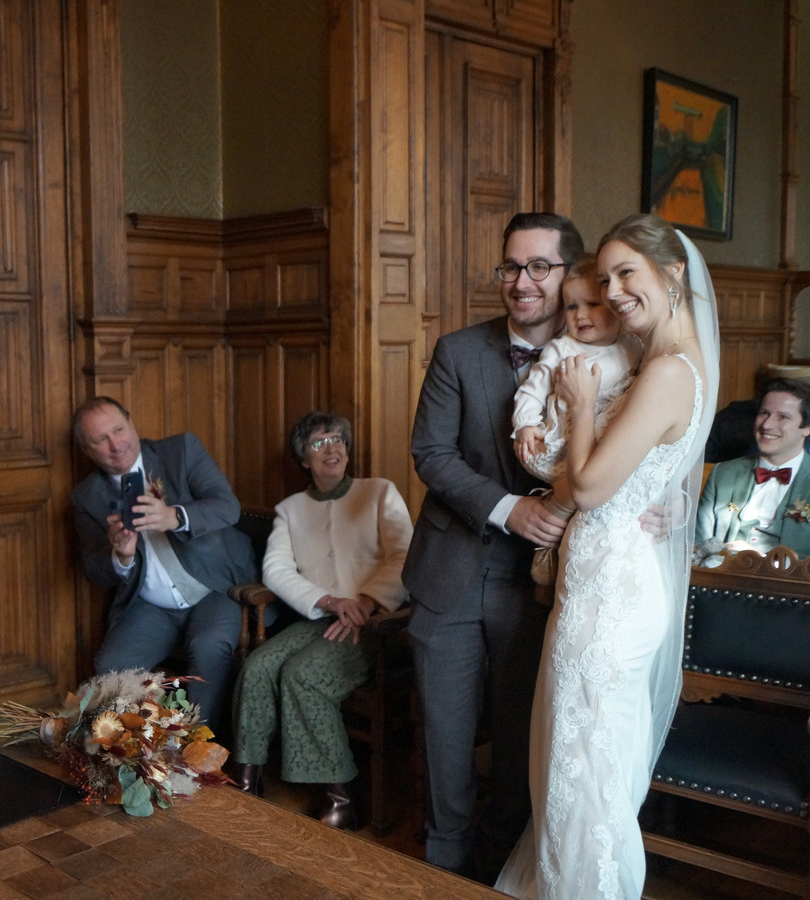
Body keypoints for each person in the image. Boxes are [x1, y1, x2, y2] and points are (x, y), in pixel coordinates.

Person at [495, 213, 720, 900]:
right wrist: (673, 501)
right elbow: (650, 472)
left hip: (610, 600)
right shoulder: (666, 364)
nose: (613, 291)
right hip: (603, 583)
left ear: (672, 275)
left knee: (585, 777)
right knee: (583, 770)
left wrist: (583, 403)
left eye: (627, 274)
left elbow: (589, 487)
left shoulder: (666, 372)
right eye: (604, 278)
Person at [402, 212, 579, 881]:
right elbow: (431, 456)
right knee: (445, 737)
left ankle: (499, 867)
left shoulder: (596, 353)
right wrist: (511, 510)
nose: (521, 282)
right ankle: (441, 866)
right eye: (511, 266)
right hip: (450, 568)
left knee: (518, 738)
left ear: (567, 274)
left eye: (539, 266)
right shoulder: (457, 350)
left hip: (538, 583)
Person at [231, 411, 412, 829]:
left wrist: (366, 602)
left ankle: (340, 797)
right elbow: (276, 570)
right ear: (304, 459)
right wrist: (327, 599)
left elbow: (405, 556)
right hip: (318, 617)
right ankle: (247, 779)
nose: (331, 449)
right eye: (319, 443)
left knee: (303, 675)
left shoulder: (380, 492)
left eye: (337, 441)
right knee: (257, 667)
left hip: (373, 623)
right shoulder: (290, 510)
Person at [70, 397, 257, 729]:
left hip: (213, 587)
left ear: (132, 424)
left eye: (119, 429)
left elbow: (227, 506)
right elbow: (93, 569)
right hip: (151, 602)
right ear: (88, 451)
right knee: (111, 666)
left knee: (211, 645)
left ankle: (200, 751)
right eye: (101, 440)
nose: (116, 445)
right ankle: (144, 755)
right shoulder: (87, 497)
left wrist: (175, 516)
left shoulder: (180, 451)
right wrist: (122, 555)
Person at [511, 257, 642, 582]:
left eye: (592, 304)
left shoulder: (633, 348)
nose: (580, 315)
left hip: (605, 449)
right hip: (559, 447)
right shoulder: (561, 349)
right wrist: (525, 424)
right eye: (571, 307)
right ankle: (551, 534)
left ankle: (562, 545)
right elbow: (532, 389)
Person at [696, 377, 810, 559]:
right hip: (724, 582)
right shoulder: (723, 473)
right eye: (764, 413)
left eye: (783, 417)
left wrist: (763, 562)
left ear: (808, 427)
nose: (767, 425)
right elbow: (698, 547)